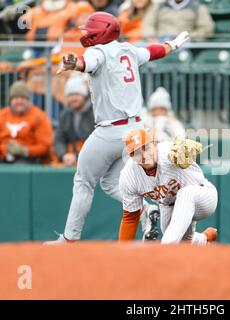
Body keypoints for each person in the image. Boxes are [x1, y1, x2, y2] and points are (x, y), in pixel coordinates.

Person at [45, 11, 190, 244]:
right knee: (112, 182)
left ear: (101, 31)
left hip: (110, 130)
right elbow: (153, 52)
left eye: (91, 29)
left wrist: (76, 64)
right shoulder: (128, 49)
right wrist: (172, 44)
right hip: (136, 131)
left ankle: (69, 239)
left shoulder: (97, 51)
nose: (87, 33)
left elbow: (88, 62)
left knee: (83, 181)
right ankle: (146, 209)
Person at [118, 129, 218, 244]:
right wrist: (122, 253)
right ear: (131, 156)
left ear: (154, 144)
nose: (144, 155)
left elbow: (174, 149)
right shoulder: (129, 176)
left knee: (169, 241)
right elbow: (130, 218)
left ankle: (164, 248)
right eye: (138, 153)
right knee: (183, 242)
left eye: (146, 148)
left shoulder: (167, 152)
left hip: (203, 196)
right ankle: (205, 239)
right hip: (171, 206)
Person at [0, 81, 53, 164]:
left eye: (22, 98)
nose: (19, 101)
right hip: (3, 156)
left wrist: (24, 151)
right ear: (10, 100)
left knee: (20, 167)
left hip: (29, 159)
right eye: (16, 98)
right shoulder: (2, 115)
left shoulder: (39, 116)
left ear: (28, 100)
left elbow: (45, 145)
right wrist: (4, 150)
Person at [54, 75, 95, 167]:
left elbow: (97, 142)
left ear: (84, 95)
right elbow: (58, 139)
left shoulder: (95, 112)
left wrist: (77, 156)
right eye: (70, 95)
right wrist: (63, 154)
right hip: (70, 158)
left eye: (77, 94)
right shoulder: (66, 114)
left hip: (92, 160)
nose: (74, 98)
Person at [143, 0, 214, 42]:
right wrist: (152, 38)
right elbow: (148, 24)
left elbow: (206, 29)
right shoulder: (158, 6)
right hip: (161, 43)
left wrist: (188, 38)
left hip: (186, 46)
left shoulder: (198, 7)